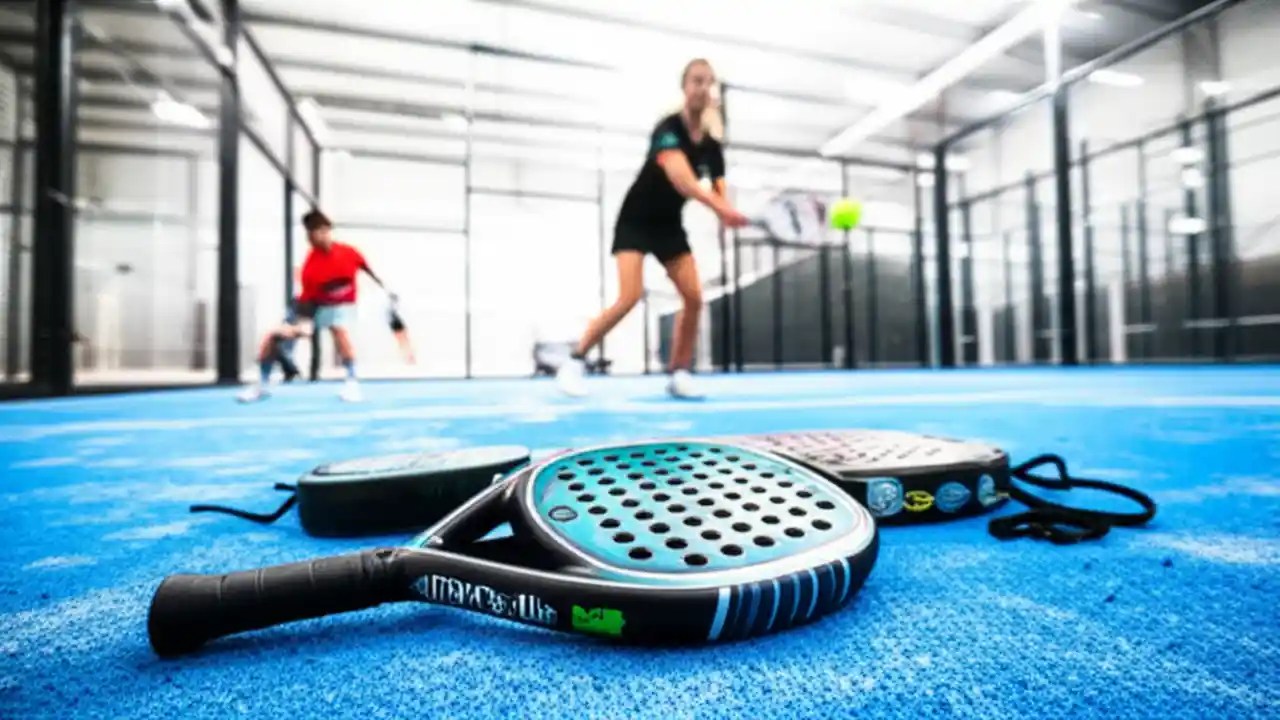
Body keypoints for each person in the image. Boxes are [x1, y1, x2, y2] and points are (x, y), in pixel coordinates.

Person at [557, 58, 748, 399]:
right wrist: (722, 209)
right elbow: (683, 180)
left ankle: (679, 372)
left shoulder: (712, 147)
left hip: (668, 225)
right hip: (635, 219)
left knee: (693, 297)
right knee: (629, 297)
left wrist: (726, 215)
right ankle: (575, 360)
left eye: (708, 82)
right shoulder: (668, 129)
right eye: (696, 81)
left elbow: (719, 189)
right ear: (685, 87)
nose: (702, 88)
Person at [242, 209, 393, 403]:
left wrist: (385, 290)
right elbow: (307, 304)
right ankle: (261, 385)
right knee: (272, 336)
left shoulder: (350, 253)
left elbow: (369, 271)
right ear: (309, 236)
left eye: (323, 231)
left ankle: (352, 383)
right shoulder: (310, 268)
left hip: (343, 308)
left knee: (339, 330)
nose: (319, 237)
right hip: (316, 308)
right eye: (313, 233)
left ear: (329, 230)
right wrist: (303, 326)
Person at [237, 298, 316, 402]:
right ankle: (263, 382)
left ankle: (346, 379)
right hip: (306, 317)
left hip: (328, 310)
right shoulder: (300, 301)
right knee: (271, 335)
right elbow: (298, 324)